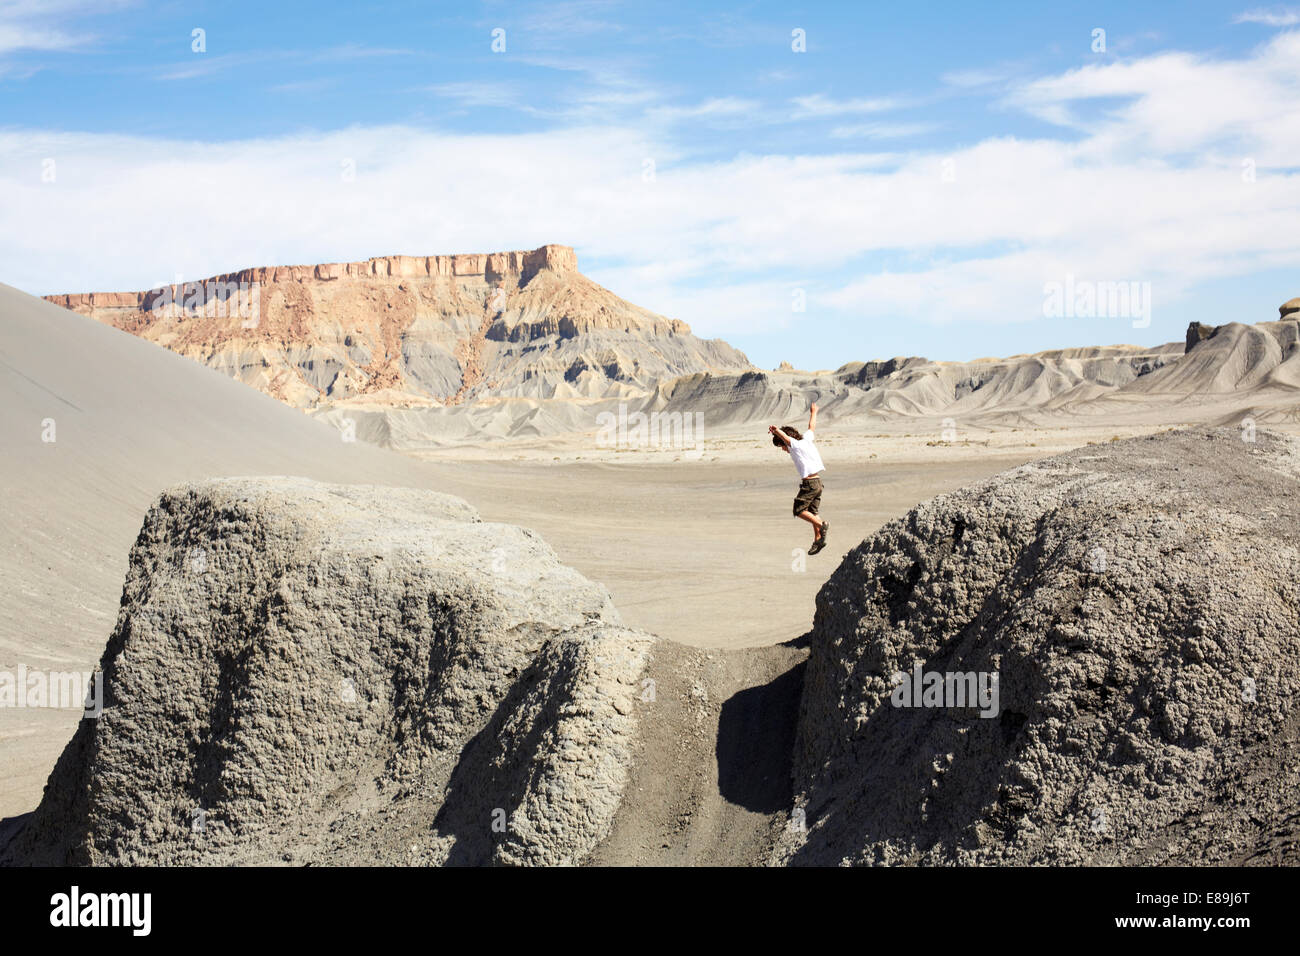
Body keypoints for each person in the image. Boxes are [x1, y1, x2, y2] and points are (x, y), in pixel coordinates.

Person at [769, 402, 829, 555]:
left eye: (781, 446)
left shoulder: (794, 445)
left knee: (799, 510)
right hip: (818, 482)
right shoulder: (806, 440)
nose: (783, 449)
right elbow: (811, 427)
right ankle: (818, 540)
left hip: (809, 484)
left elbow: (787, 439)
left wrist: (777, 431)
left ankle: (822, 525)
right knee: (812, 511)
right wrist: (814, 412)